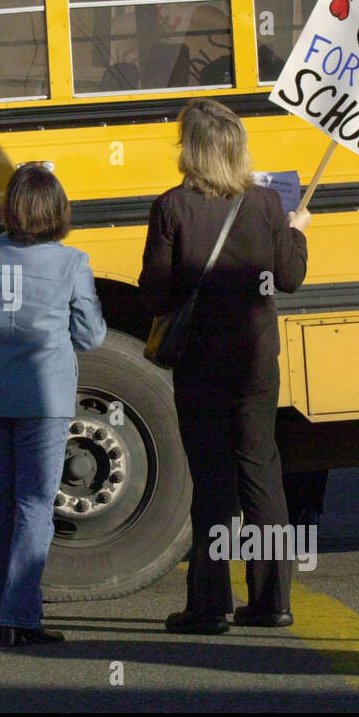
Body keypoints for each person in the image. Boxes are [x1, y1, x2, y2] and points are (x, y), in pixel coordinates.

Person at [139, 99, 310, 634]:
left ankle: (211, 606)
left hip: (200, 365)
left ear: (190, 152)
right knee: (262, 475)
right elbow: (290, 278)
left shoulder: (172, 207)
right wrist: (297, 228)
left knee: (211, 482)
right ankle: (273, 600)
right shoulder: (264, 204)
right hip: (256, 363)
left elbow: (155, 290)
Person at [0, 162, 107, 647]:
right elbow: (91, 334)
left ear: (11, 208)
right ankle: (21, 618)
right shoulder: (72, 263)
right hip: (44, 399)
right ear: (59, 211)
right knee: (36, 504)